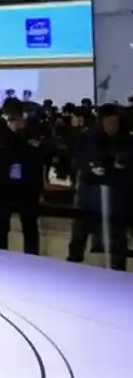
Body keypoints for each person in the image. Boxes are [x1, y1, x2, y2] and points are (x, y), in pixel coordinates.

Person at [67, 104, 130, 270]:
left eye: (114, 124)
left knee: (117, 237)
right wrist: (92, 167)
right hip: (89, 193)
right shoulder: (89, 138)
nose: (111, 127)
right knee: (80, 231)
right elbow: (80, 160)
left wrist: (119, 166)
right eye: (108, 123)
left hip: (116, 196)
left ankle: (118, 270)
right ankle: (73, 265)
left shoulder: (126, 141)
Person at [0, 103, 46, 254]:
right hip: (3, 186)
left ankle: (32, 258)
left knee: (29, 225)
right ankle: (0, 255)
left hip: (26, 187)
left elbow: (39, 158)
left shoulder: (31, 134)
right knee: (1, 225)